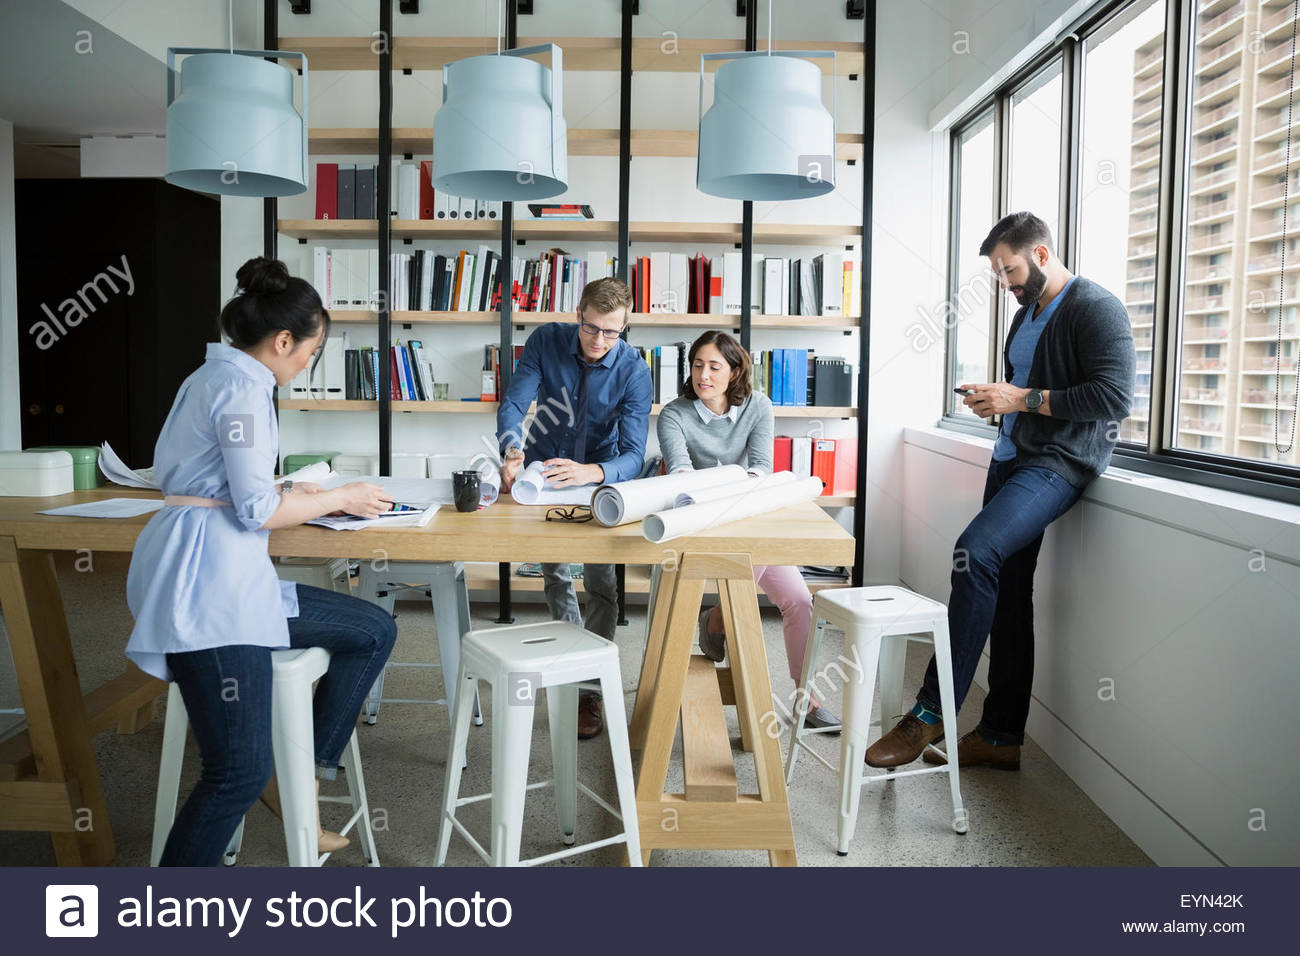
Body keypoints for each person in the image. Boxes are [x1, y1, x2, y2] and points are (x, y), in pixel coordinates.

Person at [126, 257, 398, 866]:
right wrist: (339, 498)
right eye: (311, 351)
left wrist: (288, 493)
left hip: (221, 568)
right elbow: (251, 511)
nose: (308, 364)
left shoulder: (215, 377)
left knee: (372, 628)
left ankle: (300, 782)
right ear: (282, 341)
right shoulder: (244, 391)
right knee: (233, 775)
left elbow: (232, 486)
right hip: (210, 588)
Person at [866, 211, 1135, 770]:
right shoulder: (1027, 314)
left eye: (1009, 269)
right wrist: (997, 401)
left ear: (1040, 255)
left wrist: (1020, 399)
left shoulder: (1095, 307)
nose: (1005, 282)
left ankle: (929, 714)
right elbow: (1028, 388)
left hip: (1057, 465)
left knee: (975, 552)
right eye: (997, 272)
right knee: (1010, 595)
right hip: (1009, 461)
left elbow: (1113, 398)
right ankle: (1000, 737)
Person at [657, 331, 841, 731]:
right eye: (697, 365)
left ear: (735, 370)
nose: (703, 375)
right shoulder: (675, 413)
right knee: (751, 587)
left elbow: (761, 467)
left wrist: (738, 491)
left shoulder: (758, 406)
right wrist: (727, 491)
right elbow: (681, 475)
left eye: (714, 367)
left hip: (748, 516)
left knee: (798, 600)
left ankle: (805, 696)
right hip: (696, 520)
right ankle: (720, 617)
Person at [496, 276, 653, 739]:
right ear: (577, 314)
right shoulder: (546, 341)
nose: (599, 342)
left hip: (600, 479)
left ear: (625, 327)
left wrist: (592, 473)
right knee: (555, 572)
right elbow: (514, 402)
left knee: (602, 583)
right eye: (590, 329)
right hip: (544, 474)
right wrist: (510, 448)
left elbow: (633, 452)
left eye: (611, 332)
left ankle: (591, 688)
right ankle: (570, 668)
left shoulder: (634, 371)